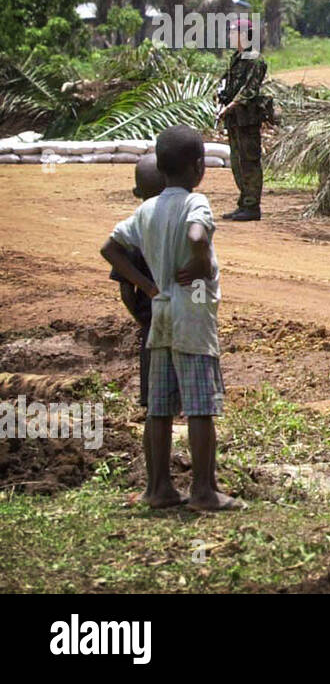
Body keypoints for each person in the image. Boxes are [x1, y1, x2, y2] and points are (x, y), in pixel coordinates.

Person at [100, 124, 239, 512]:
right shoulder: (198, 203)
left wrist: (146, 285)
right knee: (198, 407)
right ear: (199, 168)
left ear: (161, 170)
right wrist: (198, 263)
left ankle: (158, 487)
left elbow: (110, 248)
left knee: (158, 408)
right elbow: (197, 236)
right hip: (192, 315)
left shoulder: (147, 208)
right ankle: (203, 491)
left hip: (159, 312)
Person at [108, 153, 166, 505]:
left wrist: (142, 312)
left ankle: (154, 481)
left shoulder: (134, 228)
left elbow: (124, 287)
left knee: (153, 404)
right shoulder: (180, 221)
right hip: (180, 322)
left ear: (136, 192)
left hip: (150, 325)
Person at [215, 17, 272, 221]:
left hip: (247, 119)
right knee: (237, 162)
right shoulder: (236, 58)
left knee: (249, 161)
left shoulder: (255, 59)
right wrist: (220, 99)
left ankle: (252, 206)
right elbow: (226, 83)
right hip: (234, 119)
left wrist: (229, 107)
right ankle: (244, 202)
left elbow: (249, 90)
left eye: (233, 32)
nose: (230, 36)